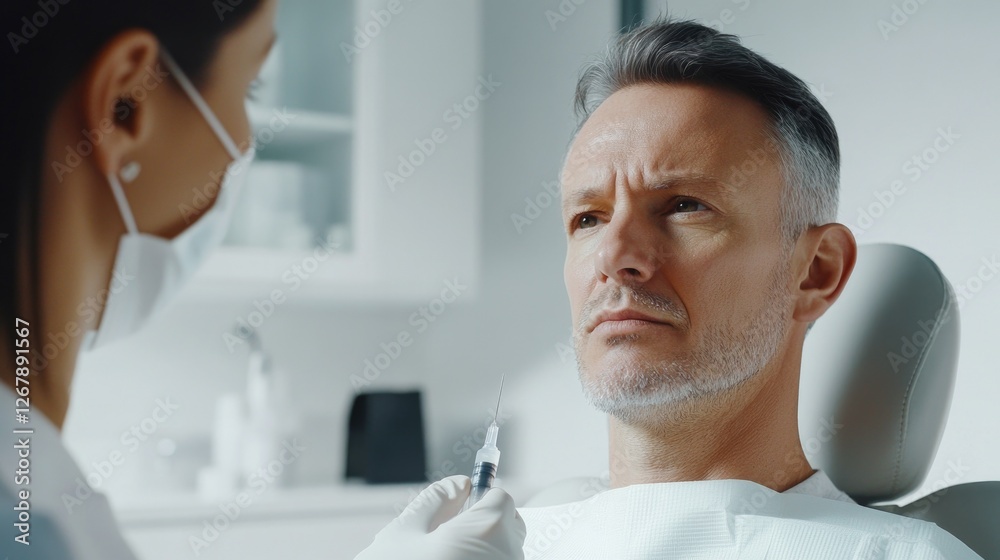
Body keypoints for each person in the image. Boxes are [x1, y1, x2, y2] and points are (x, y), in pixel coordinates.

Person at [0, 1, 523, 558]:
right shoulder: (28, 519)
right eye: (250, 87)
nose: (245, 141)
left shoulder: (31, 476)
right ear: (124, 103)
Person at [513, 19, 981, 559]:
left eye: (685, 206)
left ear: (815, 272)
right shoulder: (497, 541)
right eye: (589, 219)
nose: (614, 257)